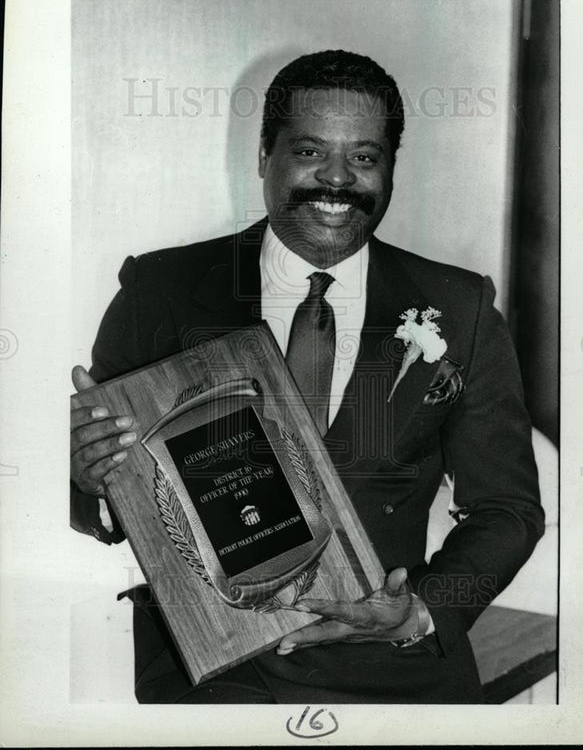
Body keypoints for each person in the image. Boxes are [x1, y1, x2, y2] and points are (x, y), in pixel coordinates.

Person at [70, 50, 545, 704]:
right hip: (208, 676)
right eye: (311, 151)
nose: (337, 179)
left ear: (391, 171)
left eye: (365, 158)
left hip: (391, 675)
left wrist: (423, 612)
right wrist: (85, 480)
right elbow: (94, 491)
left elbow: (507, 511)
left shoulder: (457, 309)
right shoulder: (162, 290)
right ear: (265, 155)